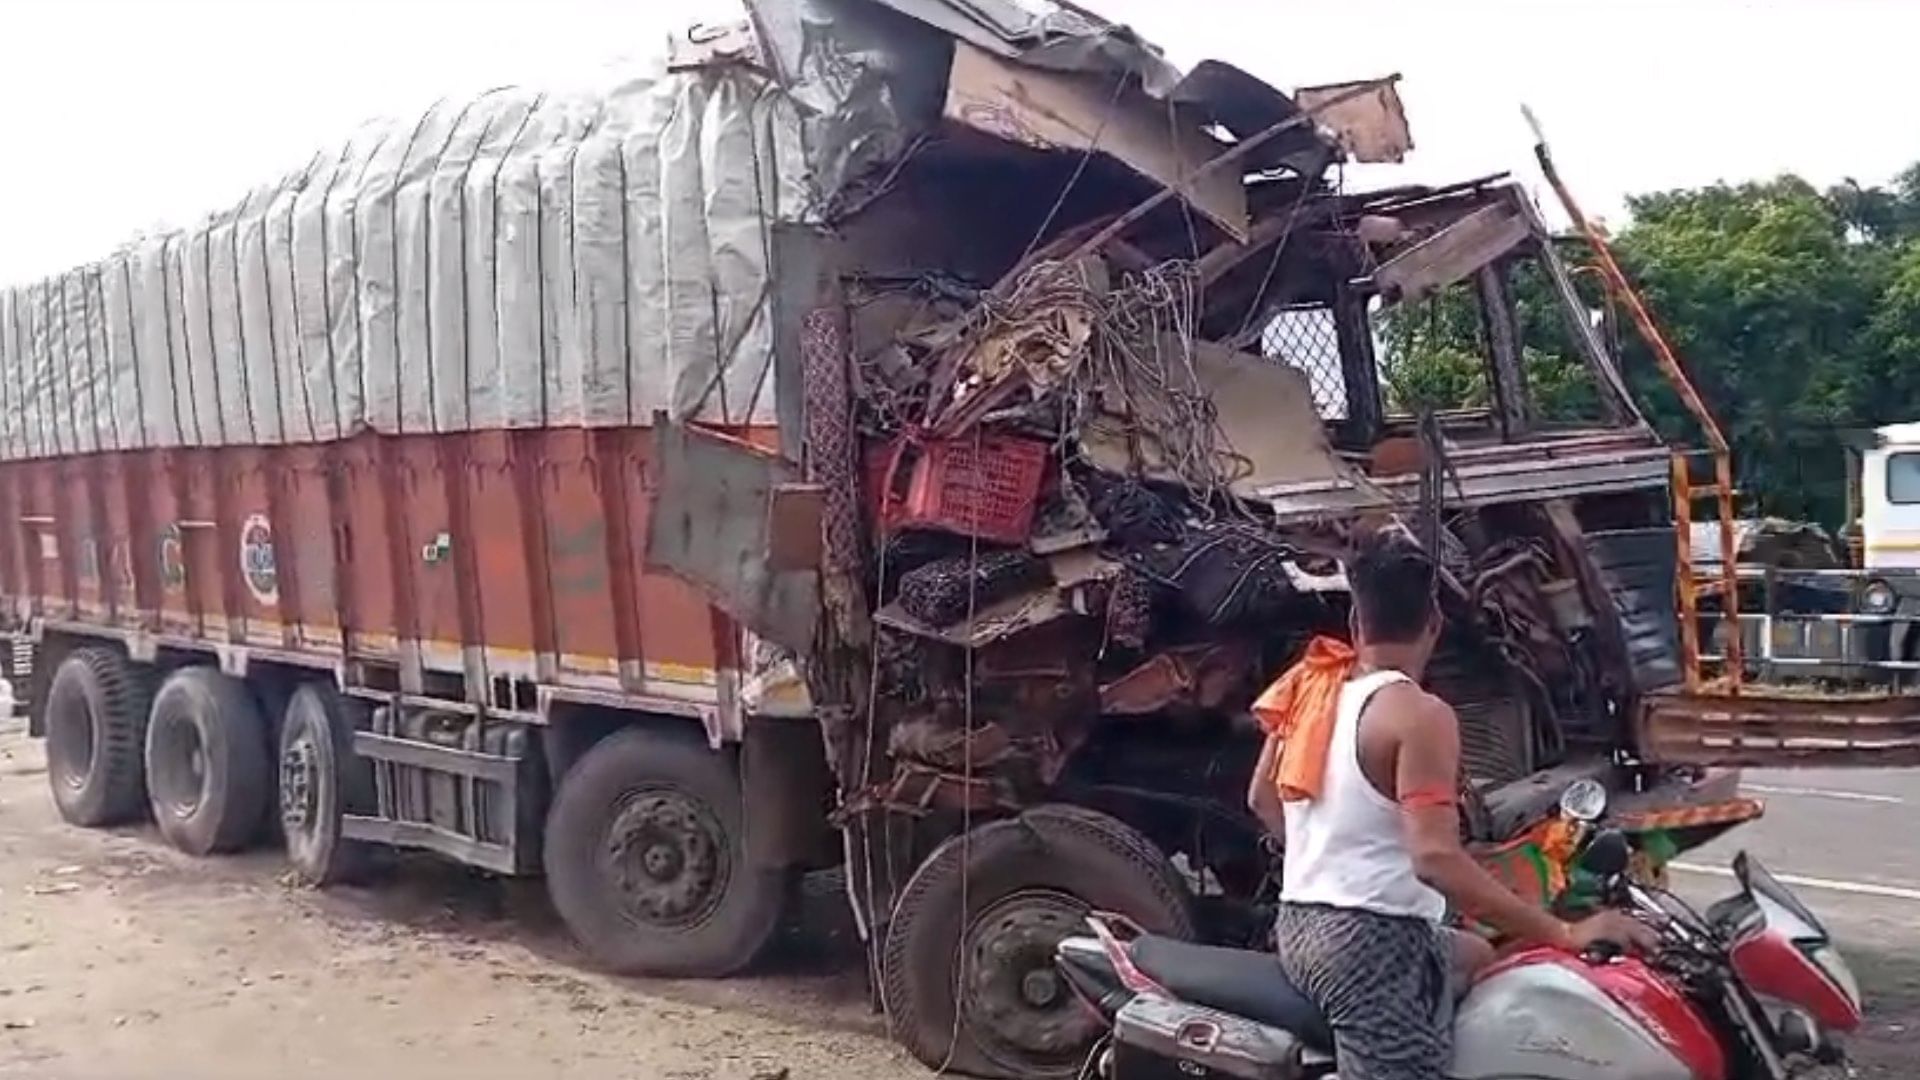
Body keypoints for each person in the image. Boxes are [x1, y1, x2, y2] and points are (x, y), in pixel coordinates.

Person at [1246, 527, 1656, 1080]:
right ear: (1434, 626)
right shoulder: (1420, 715)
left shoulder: (1312, 691)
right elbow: (1434, 858)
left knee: (1482, 959)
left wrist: (1329, 855)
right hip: (1370, 946)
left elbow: (1261, 799)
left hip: (1298, 925)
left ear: (1355, 623)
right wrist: (1564, 932)